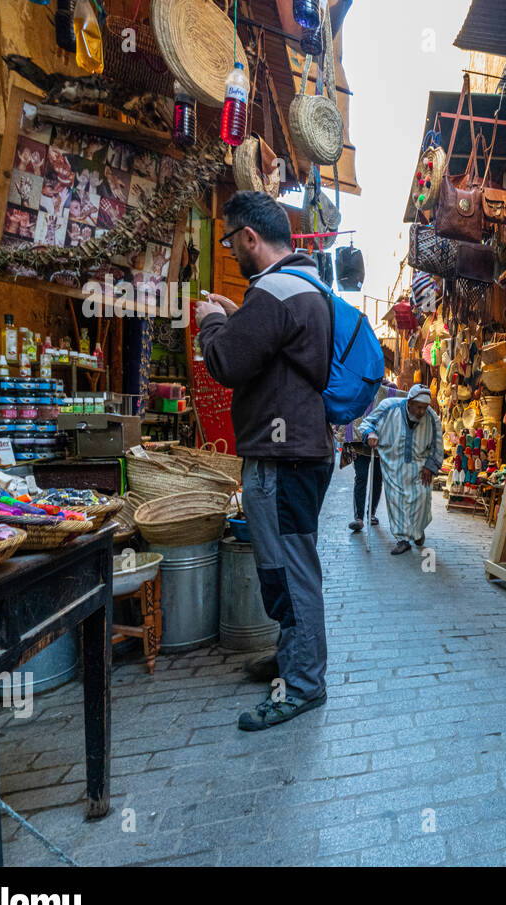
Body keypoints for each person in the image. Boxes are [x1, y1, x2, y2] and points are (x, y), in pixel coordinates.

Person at [193, 190, 334, 732]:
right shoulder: (305, 286)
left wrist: (210, 320)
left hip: (282, 459)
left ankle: (302, 686)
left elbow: (227, 361)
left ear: (250, 237)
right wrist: (236, 313)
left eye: (231, 241)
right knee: (292, 565)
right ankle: (293, 659)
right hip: (301, 451)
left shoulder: (273, 292)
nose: (230, 252)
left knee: (289, 572)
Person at [360, 383, 443, 555]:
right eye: (419, 407)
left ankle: (418, 532)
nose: (422, 412)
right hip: (393, 464)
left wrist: (431, 465)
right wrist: (371, 433)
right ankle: (403, 539)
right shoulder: (388, 407)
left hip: (421, 467)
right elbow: (367, 423)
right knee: (397, 503)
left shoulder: (432, 417)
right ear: (409, 402)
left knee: (421, 502)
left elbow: (437, 444)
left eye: (425, 408)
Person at [334, 381, 404, 531]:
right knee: (361, 477)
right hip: (359, 442)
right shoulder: (360, 385)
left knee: (377, 479)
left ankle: (371, 513)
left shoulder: (390, 388)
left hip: (381, 443)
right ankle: (359, 517)